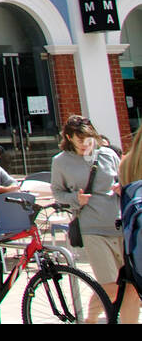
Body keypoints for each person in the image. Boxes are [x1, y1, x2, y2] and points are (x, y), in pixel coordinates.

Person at [51, 116, 137, 324]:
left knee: (131, 288)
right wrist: (75, 199)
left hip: (120, 226)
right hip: (92, 229)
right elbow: (57, 192)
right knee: (110, 287)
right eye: (80, 140)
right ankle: (90, 320)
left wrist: (121, 187)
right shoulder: (60, 161)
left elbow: (123, 181)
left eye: (89, 139)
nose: (85, 144)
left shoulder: (108, 154)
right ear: (69, 137)